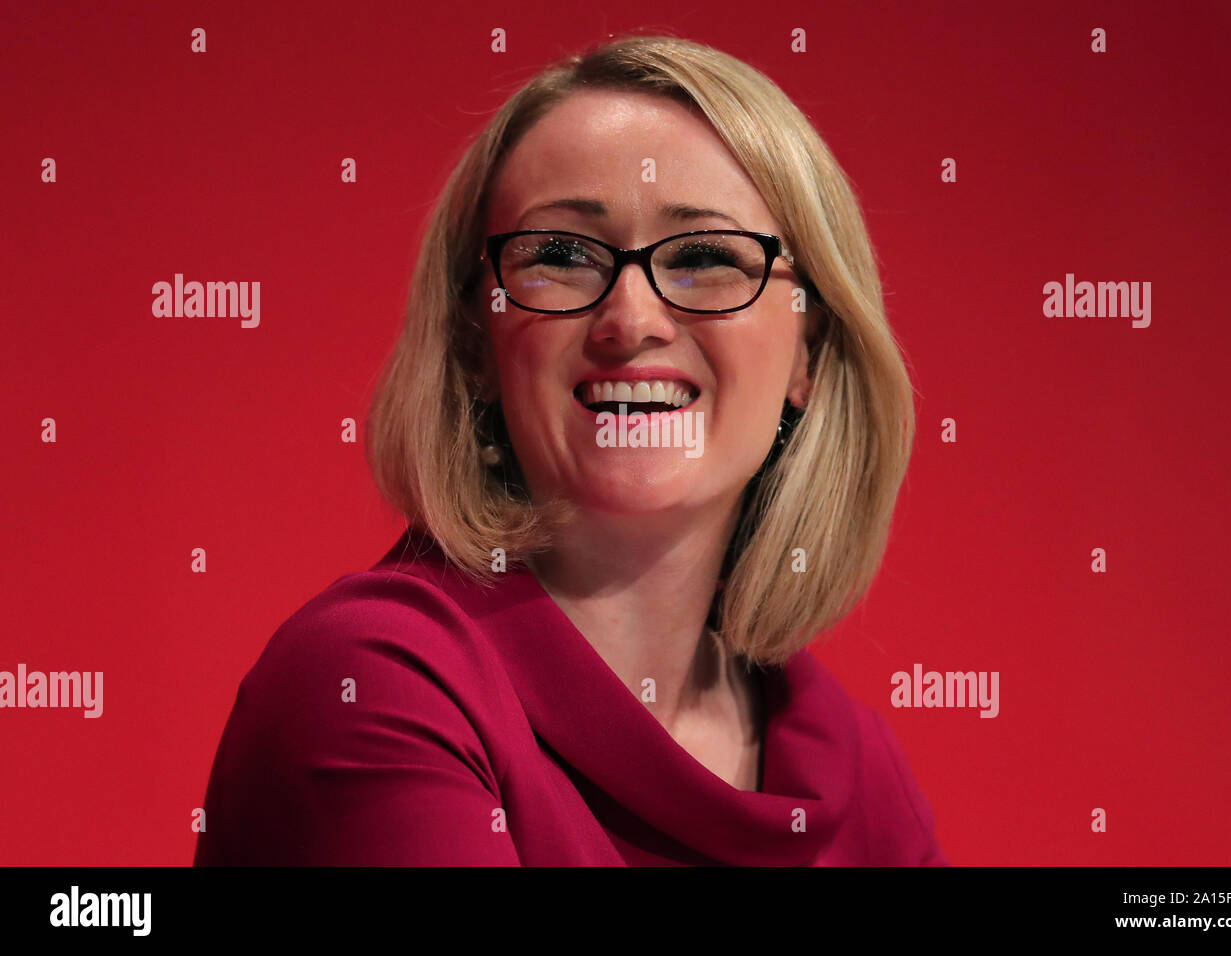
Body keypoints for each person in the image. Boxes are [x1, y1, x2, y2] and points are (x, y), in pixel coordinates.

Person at [194, 33, 948, 866]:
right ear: (477, 341)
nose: (632, 321)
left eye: (703, 258)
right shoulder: (371, 683)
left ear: (809, 349)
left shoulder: (850, 765)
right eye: (560, 256)